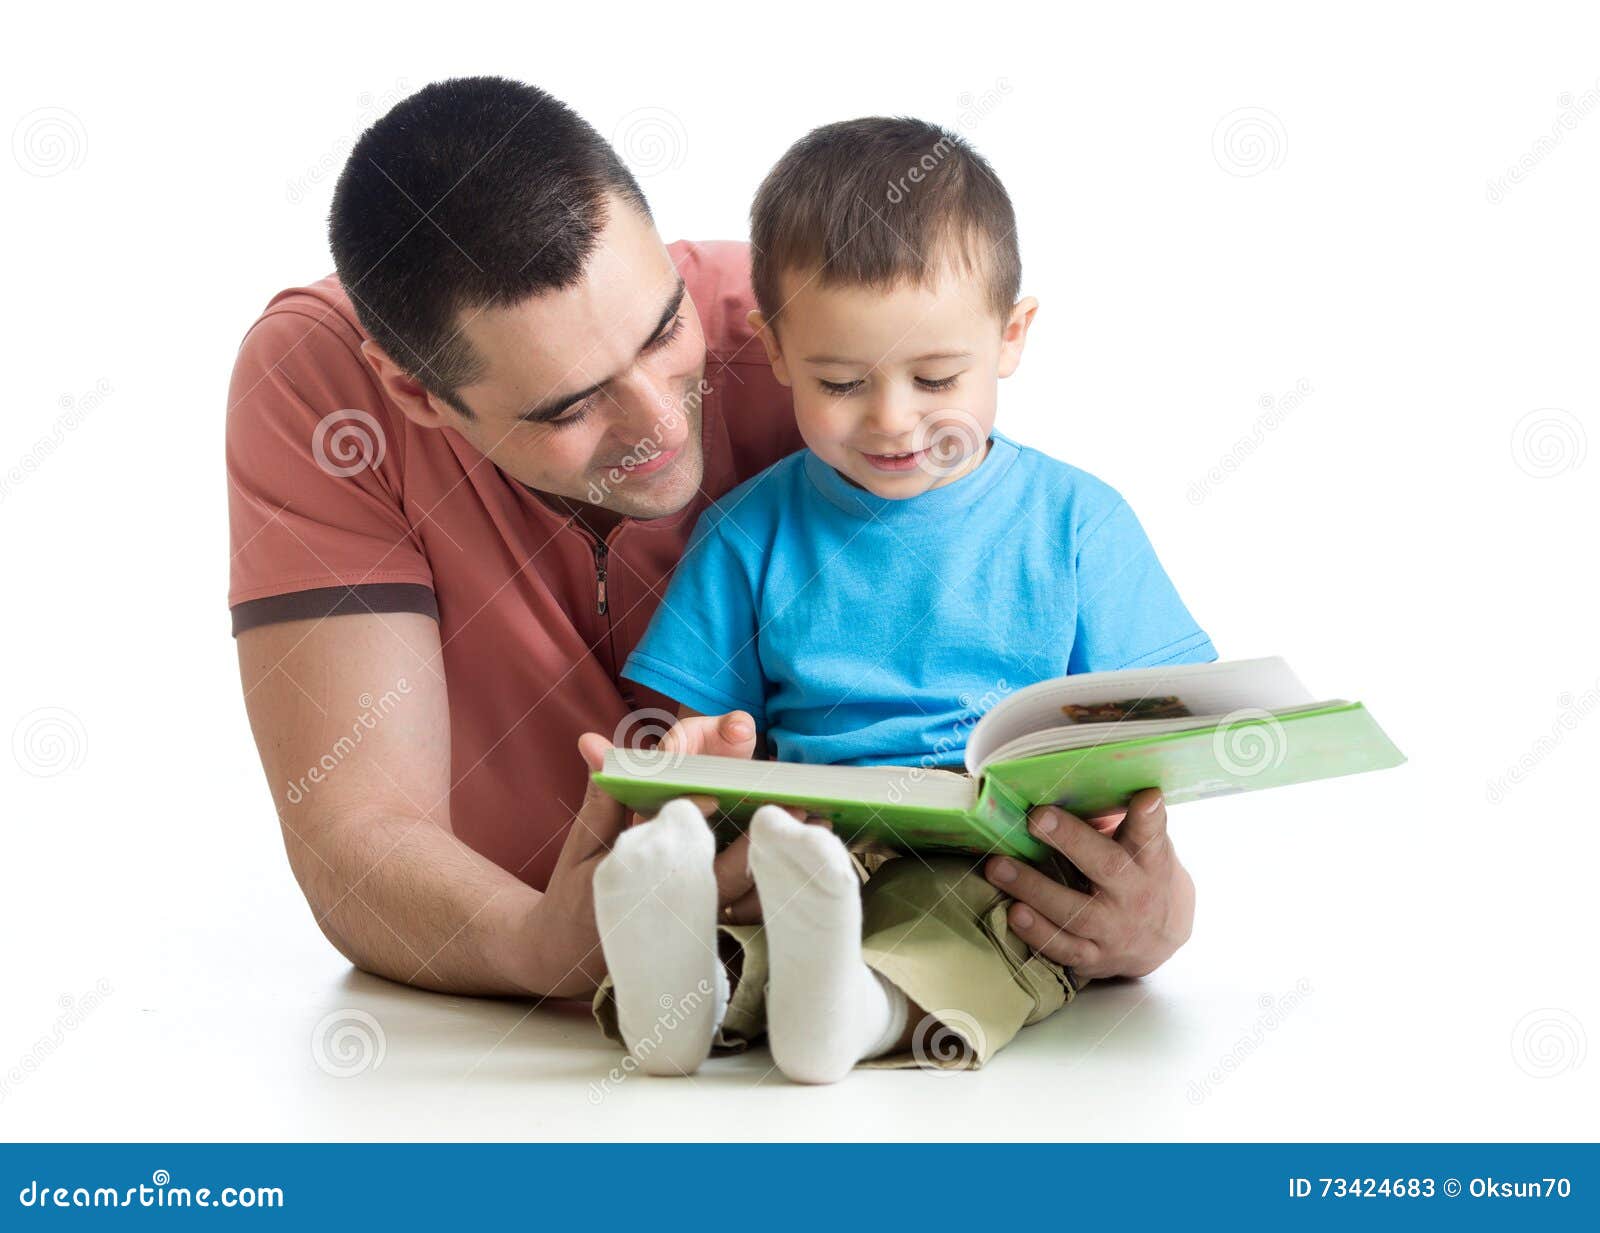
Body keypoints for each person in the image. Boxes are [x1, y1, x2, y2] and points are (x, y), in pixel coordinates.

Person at [226, 76, 1201, 1009]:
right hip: (533, 1020)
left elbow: (1035, 642)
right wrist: (544, 948)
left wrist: (1145, 915)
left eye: (661, 331)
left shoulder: (823, 338)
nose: (658, 422)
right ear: (413, 393)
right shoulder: (323, 389)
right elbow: (357, 836)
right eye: (569, 404)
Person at [588, 118, 1214, 1082]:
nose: (891, 421)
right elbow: (704, 728)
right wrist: (689, 768)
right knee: (752, 888)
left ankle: (848, 1010)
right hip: (800, 839)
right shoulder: (747, 530)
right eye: (841, 382)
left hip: (988, 851)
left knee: (983, 926)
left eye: (935, 378)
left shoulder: (1075, 522)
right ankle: (691, 997)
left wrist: (1108, 802)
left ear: (1011, 338)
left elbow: (1158, 728)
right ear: (778, 350)